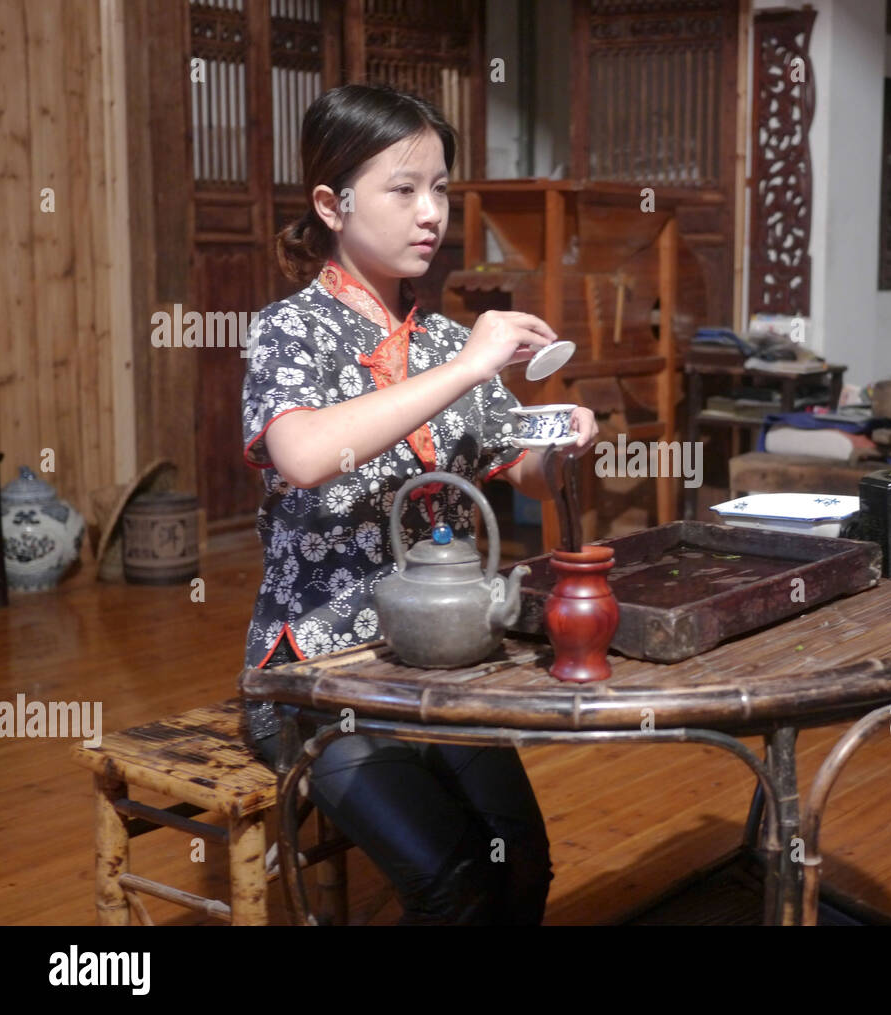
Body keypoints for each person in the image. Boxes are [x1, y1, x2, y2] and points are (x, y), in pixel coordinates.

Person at [238, 83, 597, 924]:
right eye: (403, 189)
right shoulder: (291, 330)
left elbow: (527, 473)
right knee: (451, 884)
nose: (430, 212)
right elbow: (305, 454)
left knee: (524, 866)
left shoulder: (441, 341)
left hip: (441, 666)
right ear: (333, 203)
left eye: (439, 187)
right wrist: (471, 367)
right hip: (320, 681)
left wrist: (563, 440)